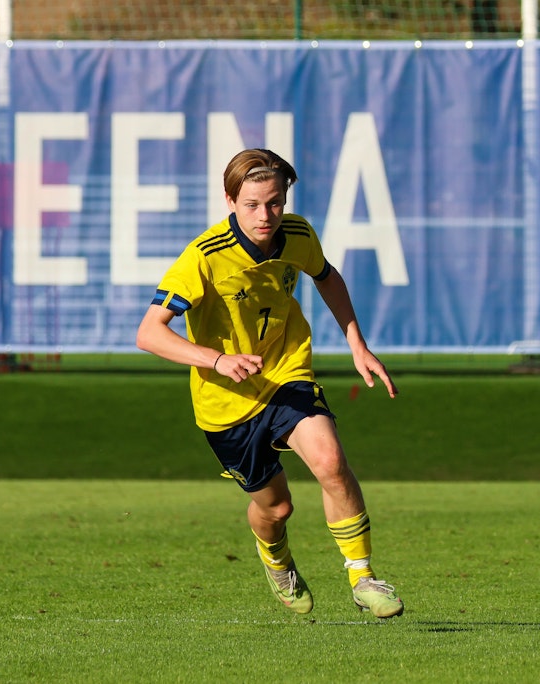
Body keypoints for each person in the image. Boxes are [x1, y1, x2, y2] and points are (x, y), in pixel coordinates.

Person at [136, 148, 404, 619]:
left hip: (285, 372)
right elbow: (149, 333)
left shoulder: (297, 233)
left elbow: (326, 276)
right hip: (226, 403)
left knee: (331, 460)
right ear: (230, 201)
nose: (266, 216)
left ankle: (362, 577)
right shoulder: (204, 256)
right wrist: (215, 360)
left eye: (275, 203)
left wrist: (357, 343)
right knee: (276, 509)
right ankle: (276, 560)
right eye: (253, 205)